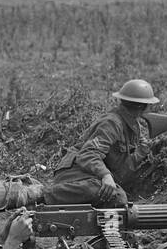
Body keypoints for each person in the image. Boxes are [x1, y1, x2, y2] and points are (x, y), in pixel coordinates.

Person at [41, 79, 160, 207]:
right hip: (75, 173)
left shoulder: (132, 125)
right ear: (141, 107)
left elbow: (140, 152)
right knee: (113, 195)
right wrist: (106, 175)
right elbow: (88, 154)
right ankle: (40, 195)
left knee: (115, 197)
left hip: (91, 175)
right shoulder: (112, 123)